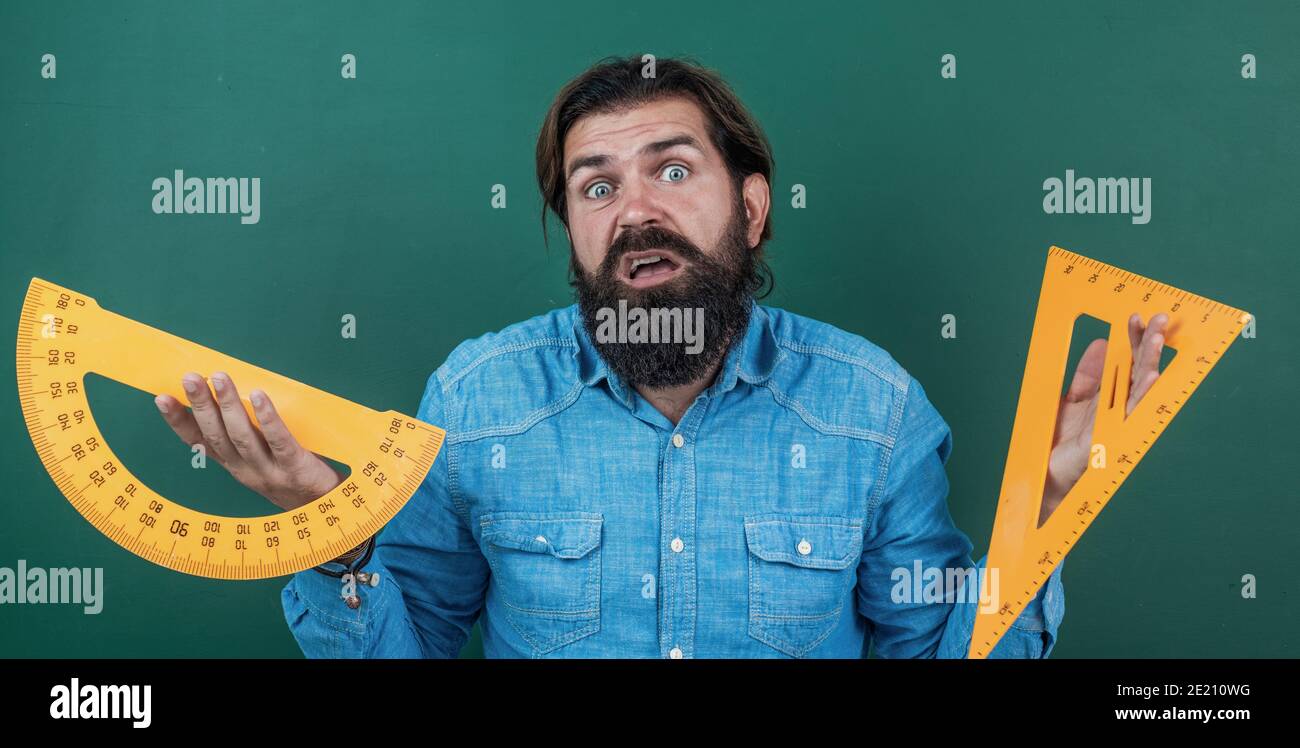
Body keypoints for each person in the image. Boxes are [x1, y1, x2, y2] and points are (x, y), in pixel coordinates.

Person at [152, 55, 1170, 658]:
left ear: (753, 207)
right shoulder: (477, 396)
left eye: (672, 169)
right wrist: (326, 530)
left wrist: (1043, 510)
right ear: (572, 230)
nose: (634, 208)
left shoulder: (872, 405)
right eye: (594, 187)